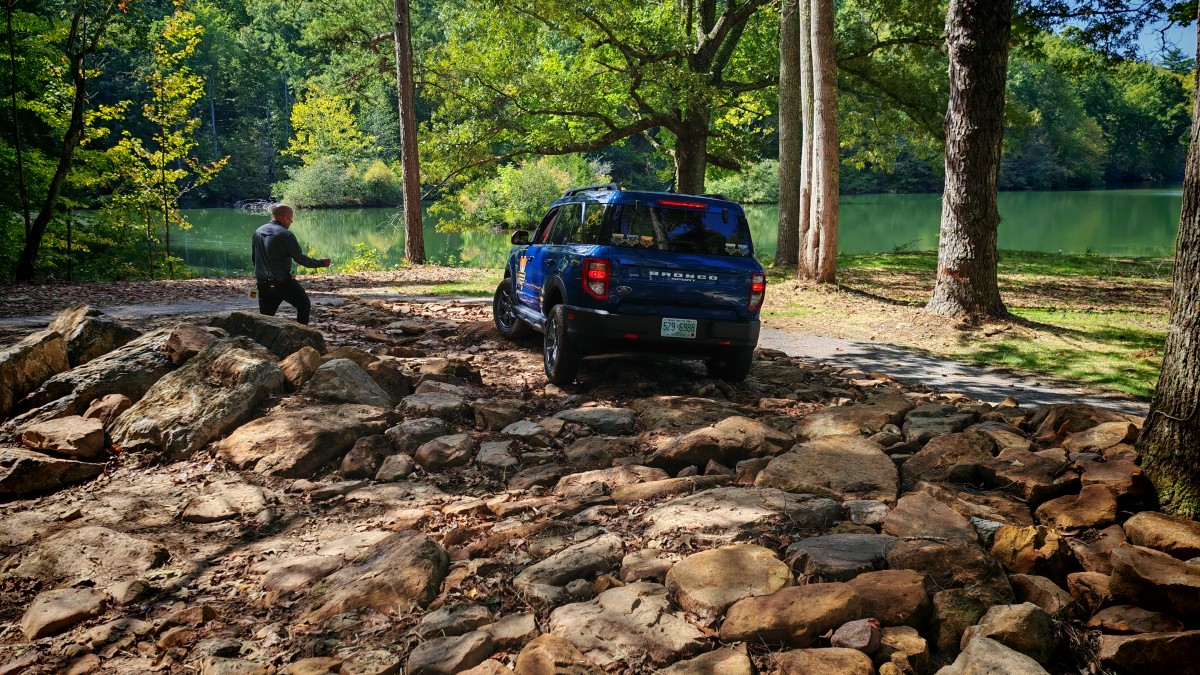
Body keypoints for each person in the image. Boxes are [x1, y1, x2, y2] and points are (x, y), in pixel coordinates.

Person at [251, 203, 331, 325]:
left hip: (263, 284)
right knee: (304, 304)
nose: (292, 221)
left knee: (266, 318)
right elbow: (300, 259)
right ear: (285, 216)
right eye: (291, 217)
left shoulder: (258, 231)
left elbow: (254, 259)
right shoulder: (285, 234)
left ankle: (262, 336)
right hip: (283, 283)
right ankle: (301, 333)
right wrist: (322, 263)